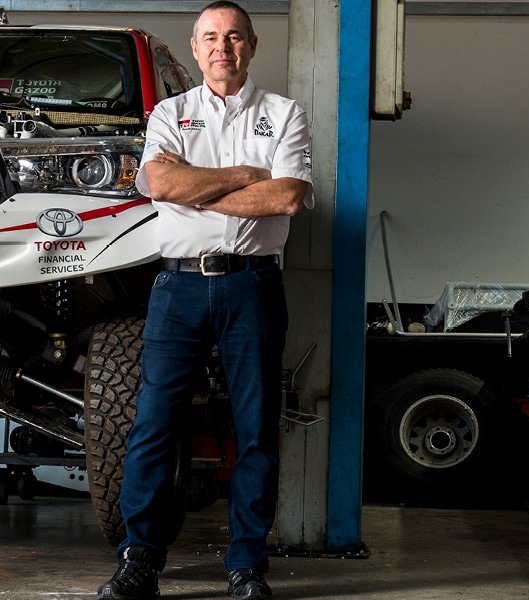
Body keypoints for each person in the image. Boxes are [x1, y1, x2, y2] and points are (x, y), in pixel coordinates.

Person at [96, 2, 313, 600]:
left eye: (234, 36)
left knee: (256, 427)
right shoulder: (170, 112)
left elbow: (289, 196)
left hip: (253, 286)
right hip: (178, 288)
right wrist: (248, 176)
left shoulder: (283, 113)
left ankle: (246, 565)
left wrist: (200, 188)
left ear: (252, 45)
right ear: (195, 48)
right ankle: (140, 559)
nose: (223, 47)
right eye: (211, 37)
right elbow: (162, 184)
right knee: (153, 425)